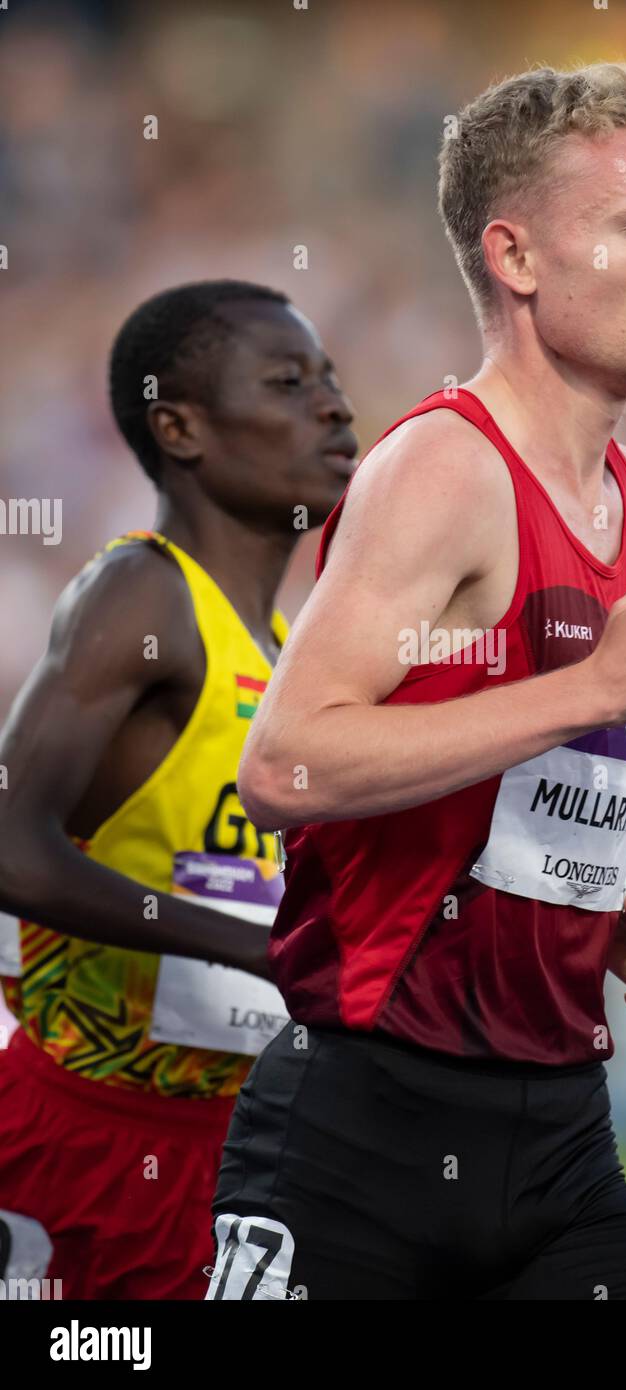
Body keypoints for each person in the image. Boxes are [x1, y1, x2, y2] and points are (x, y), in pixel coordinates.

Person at [211, 64, 626, 1301]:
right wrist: (594, 686)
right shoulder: (444, 470)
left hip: (557, 1132)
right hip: (363, 1130)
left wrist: (584, 912)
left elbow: (483, 788)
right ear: (516, 257)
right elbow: (287, 766)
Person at [0, 280, 356, 1299]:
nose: (334, 407)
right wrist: (254, 948)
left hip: (235, 1157)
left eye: (331, 380)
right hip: (75, 1139)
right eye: (288, 383)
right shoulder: (144, 594)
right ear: (181, 426)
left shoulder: (292, 659)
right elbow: (9, 843)